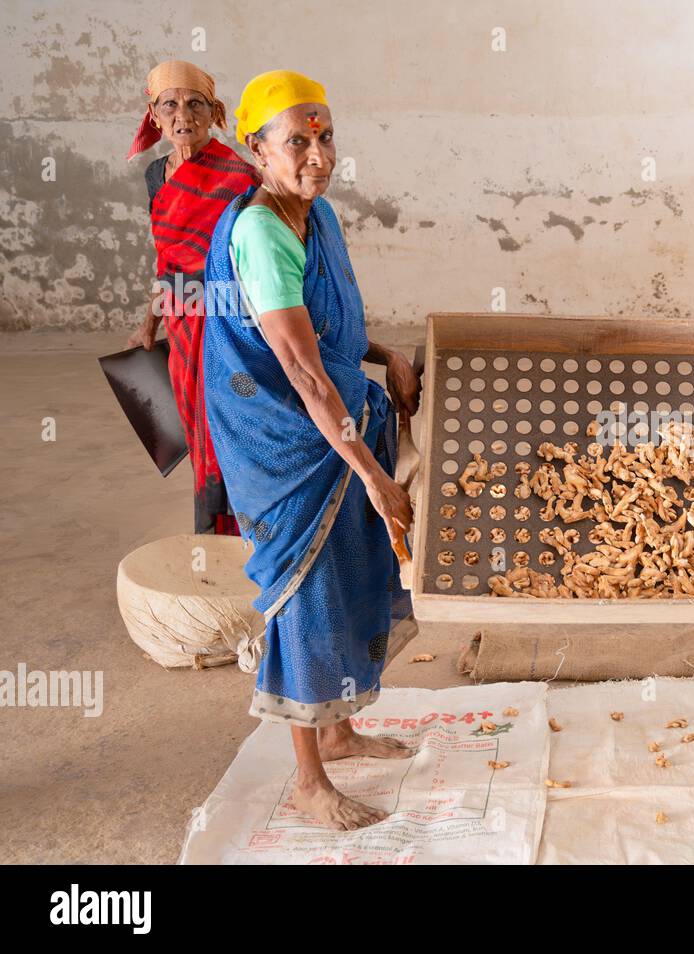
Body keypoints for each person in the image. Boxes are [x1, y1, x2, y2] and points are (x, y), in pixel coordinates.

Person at [203, 71, 422, 830]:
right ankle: (307, 778)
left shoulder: (313, 215)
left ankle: (338, 728)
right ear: (256, 151)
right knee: (305, 588)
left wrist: (381, 353)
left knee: (347, 571)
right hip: (283, 439)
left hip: (327, 418)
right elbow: (295, 369)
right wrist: (372, 476)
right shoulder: (261, 231)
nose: (318, 156)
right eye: (297, 142)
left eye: (325, 137)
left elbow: (322, 334)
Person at [125, 61, 259, 534]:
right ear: (155, 115)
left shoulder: (241, 176)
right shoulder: (157, 175)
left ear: (213, 111)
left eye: (195, 103)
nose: (184, 115)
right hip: (182, 316)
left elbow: (254, 256)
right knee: (194, 420)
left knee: (230, 417)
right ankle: (212, 531)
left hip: (230, 317)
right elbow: (167, 256)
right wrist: (150, 324)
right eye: (170, 105)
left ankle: (246, 531)